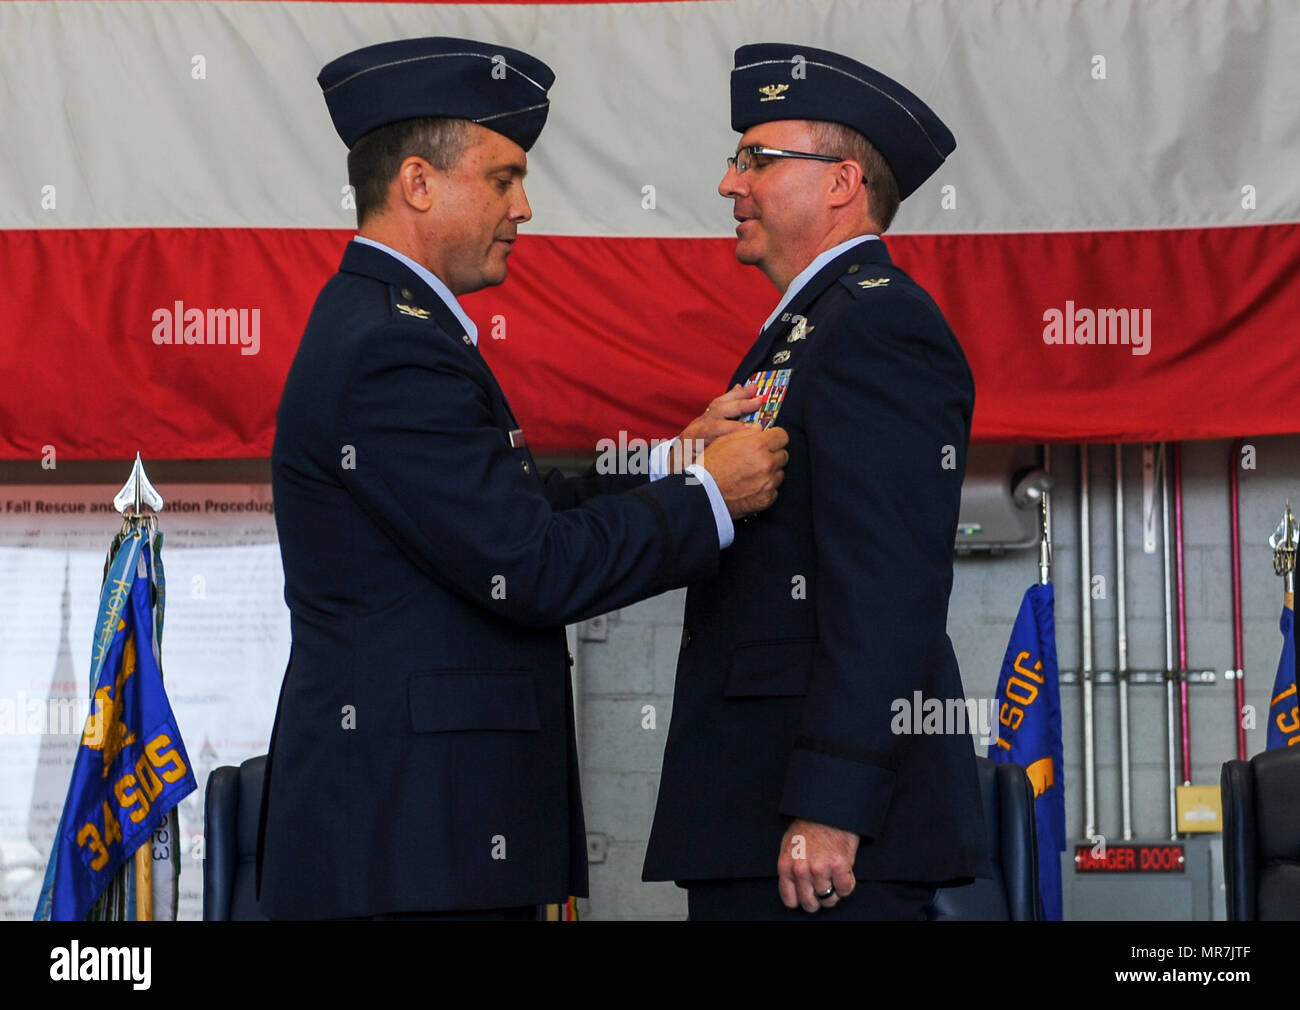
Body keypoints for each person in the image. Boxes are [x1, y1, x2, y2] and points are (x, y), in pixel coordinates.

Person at [256, 36, 788, 921]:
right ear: (419, 183)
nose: (526, 207)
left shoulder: (395, 325)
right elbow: (529, 562)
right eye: (503, 178)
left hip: (424, 837)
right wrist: (708, 499)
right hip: (412, 845)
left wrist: (670, 464)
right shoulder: (391, 347)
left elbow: (513, 505)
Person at [642, 43, 991, 920]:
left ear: (841, 183)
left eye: (757, 158)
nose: (731, 183)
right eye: (736, 159)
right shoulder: (814, 326)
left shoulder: (878, 326)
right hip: (759, 809)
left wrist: (834, 803)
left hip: (824, 838)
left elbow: (890, 585)